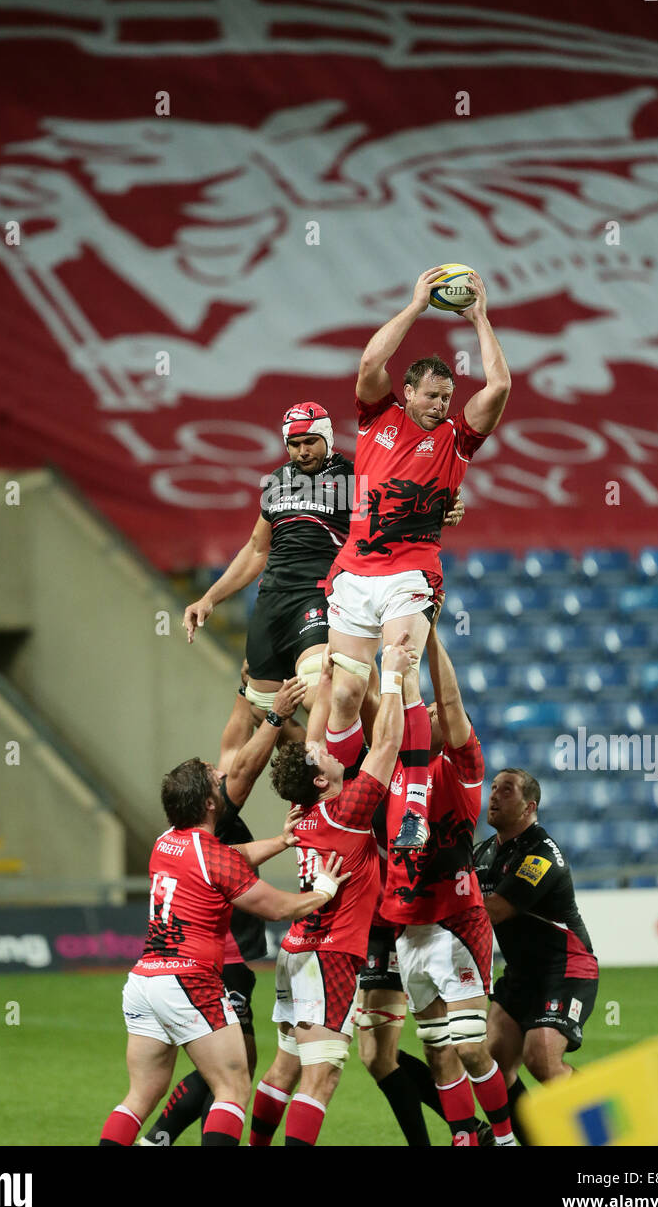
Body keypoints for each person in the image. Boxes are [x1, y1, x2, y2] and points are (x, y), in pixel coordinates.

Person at [310, 267, 511, 850]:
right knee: (346, 693)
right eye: (433, 397)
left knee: (398, 672)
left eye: (448, 398)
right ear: (411, 391)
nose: (442, 406)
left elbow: (496, 388)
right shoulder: (378, 416)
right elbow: (371, 363)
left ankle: (414, 808)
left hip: (410, 573)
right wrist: (416, 305)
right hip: (354, 570)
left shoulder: (456, 439)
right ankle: (339, 789)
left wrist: (478, 318)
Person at [99, 757, 349, 1147]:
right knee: (232, 1087)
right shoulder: (212, 856)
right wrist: (323, 892)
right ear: (210, 803)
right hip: (188, 980)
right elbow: (277, 907)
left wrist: (282, 842)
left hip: (144, 980)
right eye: (214, 778)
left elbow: (229, 859)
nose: (221, 776)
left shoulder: (164, 842)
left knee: (140, 1097)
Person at [248, 639, 415, 1146]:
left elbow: (312, 745)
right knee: (323, 1078)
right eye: (319, 754)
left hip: (296, 952)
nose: (317, 742)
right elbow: (386, 745)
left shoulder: (307, 814)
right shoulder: (347, 810)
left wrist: (323, 687)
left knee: (284, 1070)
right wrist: (393, 676)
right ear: (321, 779)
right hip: (331, 958)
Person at [139, 674, 307, 1146]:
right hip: (216, 957)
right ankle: (163, 1135)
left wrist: (250, 684)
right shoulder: (219, 812)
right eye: (211, 771)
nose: (218, 767)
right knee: (233, 1071)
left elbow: (235, 738)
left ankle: (161, 1135)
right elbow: (246, 770)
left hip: (175, 963)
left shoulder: (191, 826)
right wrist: (274, 715)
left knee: (229, 1067)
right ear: (210, 797)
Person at [377, 605, 515, 1146]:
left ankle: (502, 1138)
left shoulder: (463, 768)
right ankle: (463, 1136)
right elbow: (384, 705)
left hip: (457, 920)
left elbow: (450, 700)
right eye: (426, 709)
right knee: (437, 1047)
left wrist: (429, 632)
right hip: (408, 925)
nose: (433, 710)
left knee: (469, 1044)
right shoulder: (391, 765)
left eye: (437, 710)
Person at [183, 403, 356, 730]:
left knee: (318, 691)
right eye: (294, 444)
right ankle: (312, 768)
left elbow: (396, 512)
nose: (302, 452)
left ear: (327, 438)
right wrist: (209, 598)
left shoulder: (351, 477)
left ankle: (337, 768)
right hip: (271, 604)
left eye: (310, 442)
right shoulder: (277, 481)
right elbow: (256, 549)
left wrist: (446, 506)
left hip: (317, 597)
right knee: (263, 712)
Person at [473, 769, 599, 1145]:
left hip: (565, 968)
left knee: (542, 1058)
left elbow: (493, 909)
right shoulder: (484, 852)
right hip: (522, 973)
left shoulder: (542, 854)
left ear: (529, 807)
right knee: (491, 1061)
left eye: (505, 790)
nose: (493, 796)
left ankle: (602, 1131)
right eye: (492, 788)